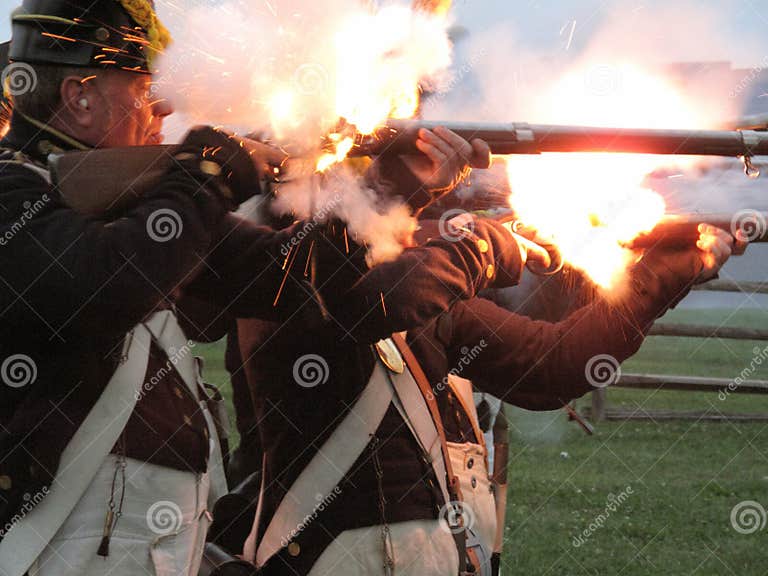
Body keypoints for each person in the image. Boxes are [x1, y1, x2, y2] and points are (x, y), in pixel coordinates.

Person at [0, 2, 528, 575]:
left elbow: (292, 275)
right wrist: (207, 174)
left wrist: (400, 184)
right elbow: (109, 286)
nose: (164, 107)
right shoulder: (14, 197)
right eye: (145, 88)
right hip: (54, 549)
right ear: (80, 97)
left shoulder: (134, 209)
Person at [234, 165, 735, 575]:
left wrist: (665, 272)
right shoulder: (285, 298)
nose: (413, 215)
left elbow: (551, 366)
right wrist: (483, 248)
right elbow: (364, 301)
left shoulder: (424, 302)